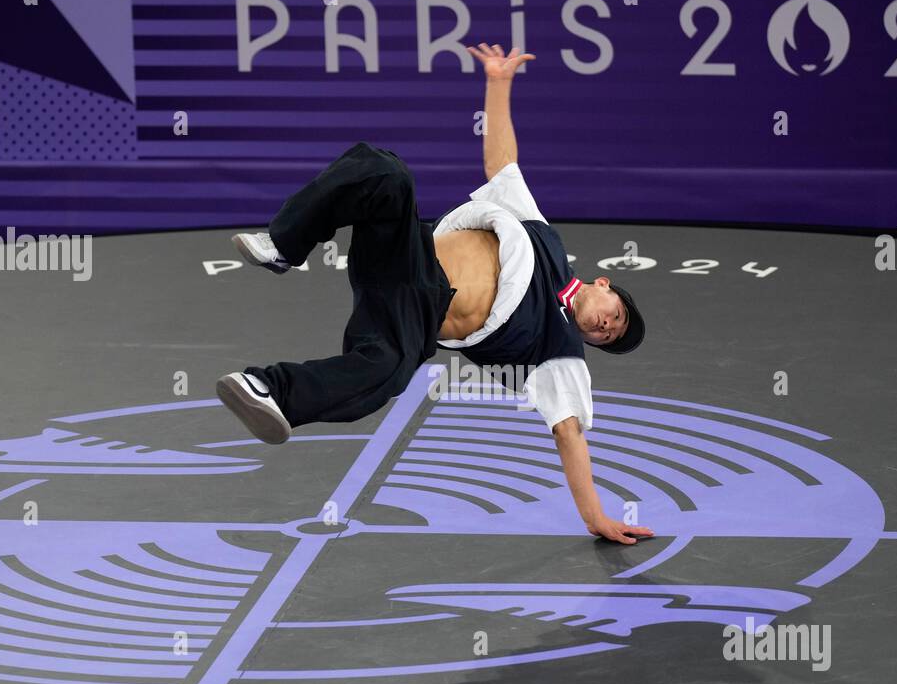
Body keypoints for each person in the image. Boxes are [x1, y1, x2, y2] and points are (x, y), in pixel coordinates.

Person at [220, 43, 652, 546]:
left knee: (384, 373)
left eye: (609, 337)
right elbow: (502, 163)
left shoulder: (560, 355)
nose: (605, 326)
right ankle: (282, 244)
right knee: (385, 171)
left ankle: (266, 389)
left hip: (414, 314)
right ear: (604, 284)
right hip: (406, 252)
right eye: (615, 315)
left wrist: (595, 517)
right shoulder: (544, 237)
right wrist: (498, 81)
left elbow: (570, 435)